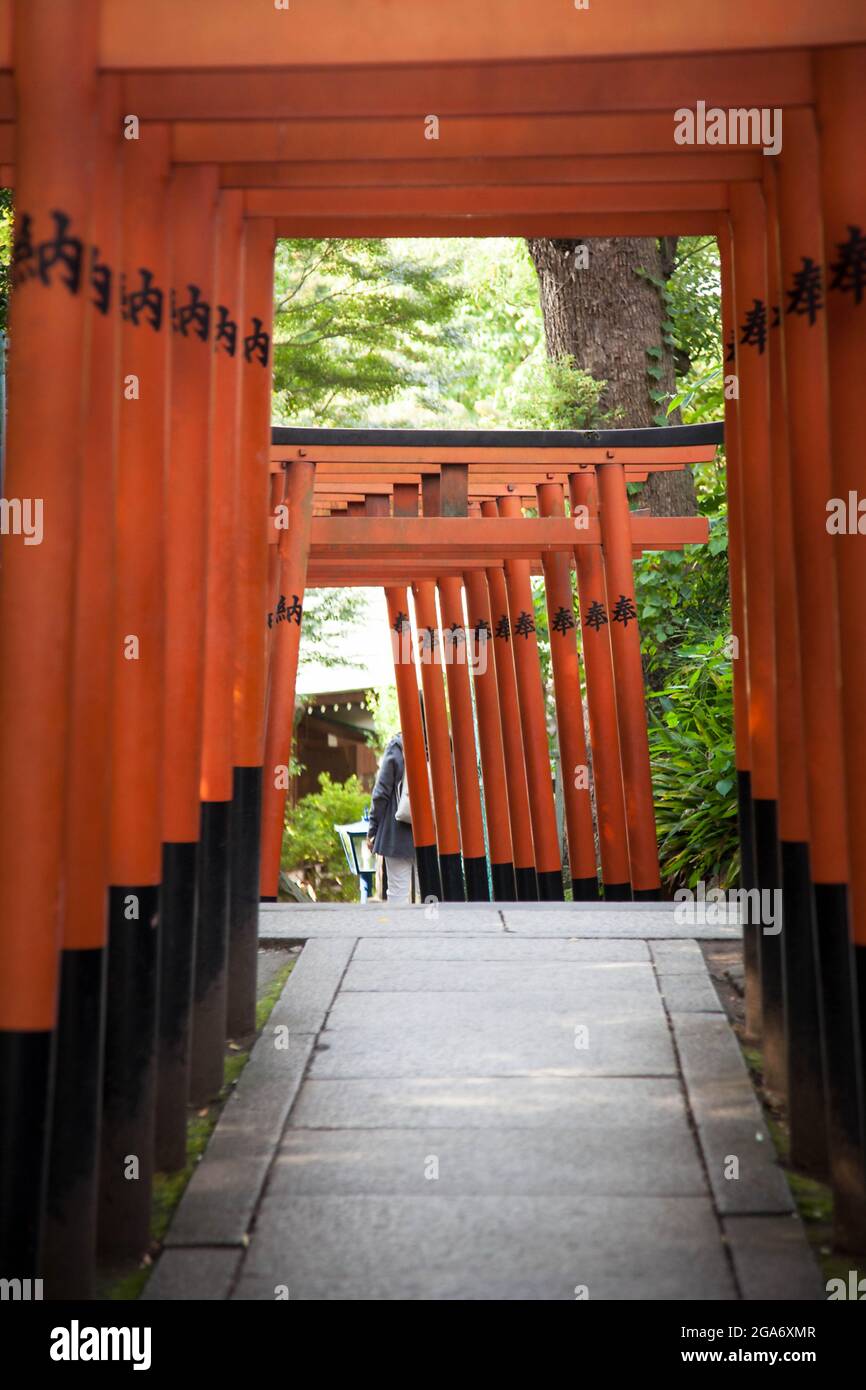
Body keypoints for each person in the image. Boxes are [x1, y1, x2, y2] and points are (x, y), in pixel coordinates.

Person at [367, 731, 415, 903]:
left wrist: (372, 828)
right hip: (434, 832)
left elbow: (381, 792)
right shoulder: (441, 742)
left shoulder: (398, 745)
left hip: (398, 834)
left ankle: (401, 929)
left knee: (398, 894)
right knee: (429, 896)